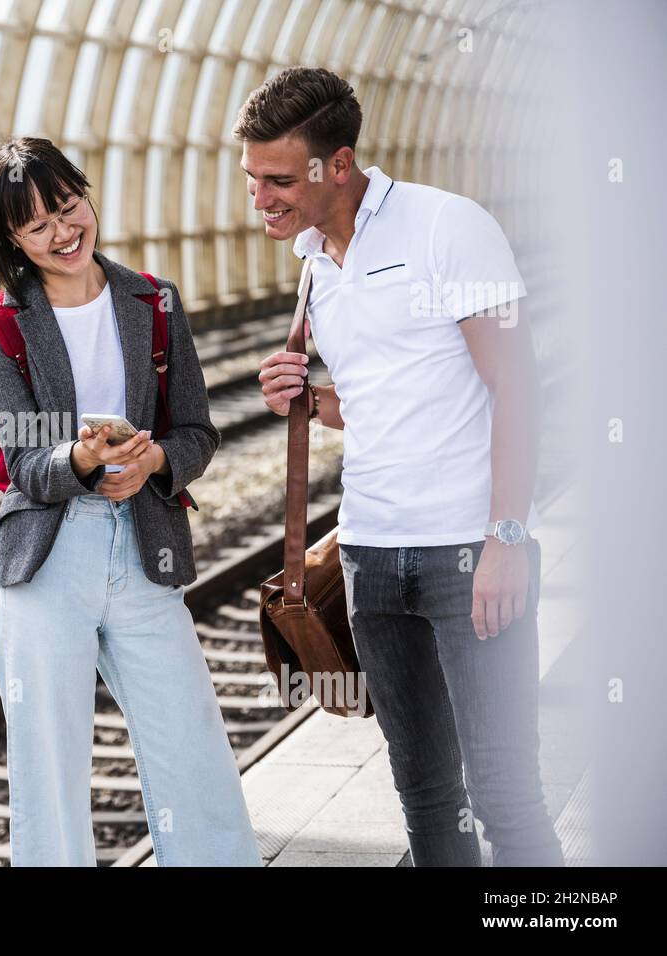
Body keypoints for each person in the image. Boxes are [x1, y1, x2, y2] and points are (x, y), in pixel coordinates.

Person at [245, 67, 563, 866]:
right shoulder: (315, 260)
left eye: (280, 180)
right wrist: (309, 402)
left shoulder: (447, 227)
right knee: (423, 795)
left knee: (503, 796)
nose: (262, 199)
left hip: (468, 552)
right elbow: (388, 396)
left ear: (338, 166)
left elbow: (516, 387)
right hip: (369, 555)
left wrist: (507, 537)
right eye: (252, 180)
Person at [0, 137, 260, 867]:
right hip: (46, 563)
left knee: (190, 745)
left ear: (85, 195)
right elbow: (20, 464)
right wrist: (82, 459)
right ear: (12, 237)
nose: (63, 233)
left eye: (69, 208)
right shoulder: (1, 325)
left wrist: (156, 458)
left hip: (143, 547)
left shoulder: (153, 302)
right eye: (38, 227)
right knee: (47, 767)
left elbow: (197, 428)